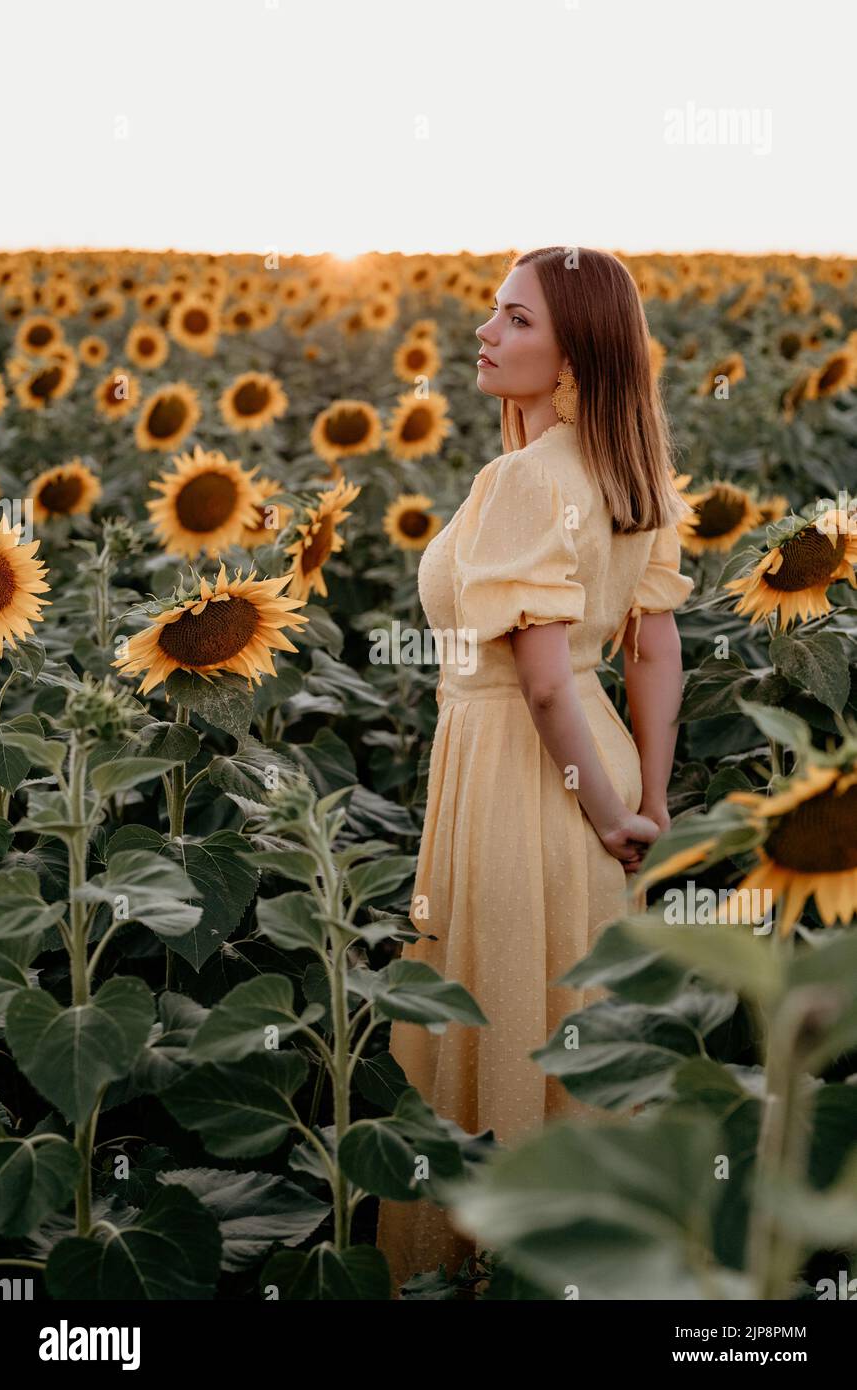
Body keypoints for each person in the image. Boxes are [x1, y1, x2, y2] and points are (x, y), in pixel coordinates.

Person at [375, 246, 696, 1297]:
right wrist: (643, 802)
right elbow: (652, 650)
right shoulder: (626, 470)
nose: (485, 332)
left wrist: (603, 812)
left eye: (514, 319)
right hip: (590, 777)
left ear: (572, 356)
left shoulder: (522, 481)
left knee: (501, 1031)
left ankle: (484, 1276)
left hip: (523, 783)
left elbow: (545, 682)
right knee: (577, 1045)